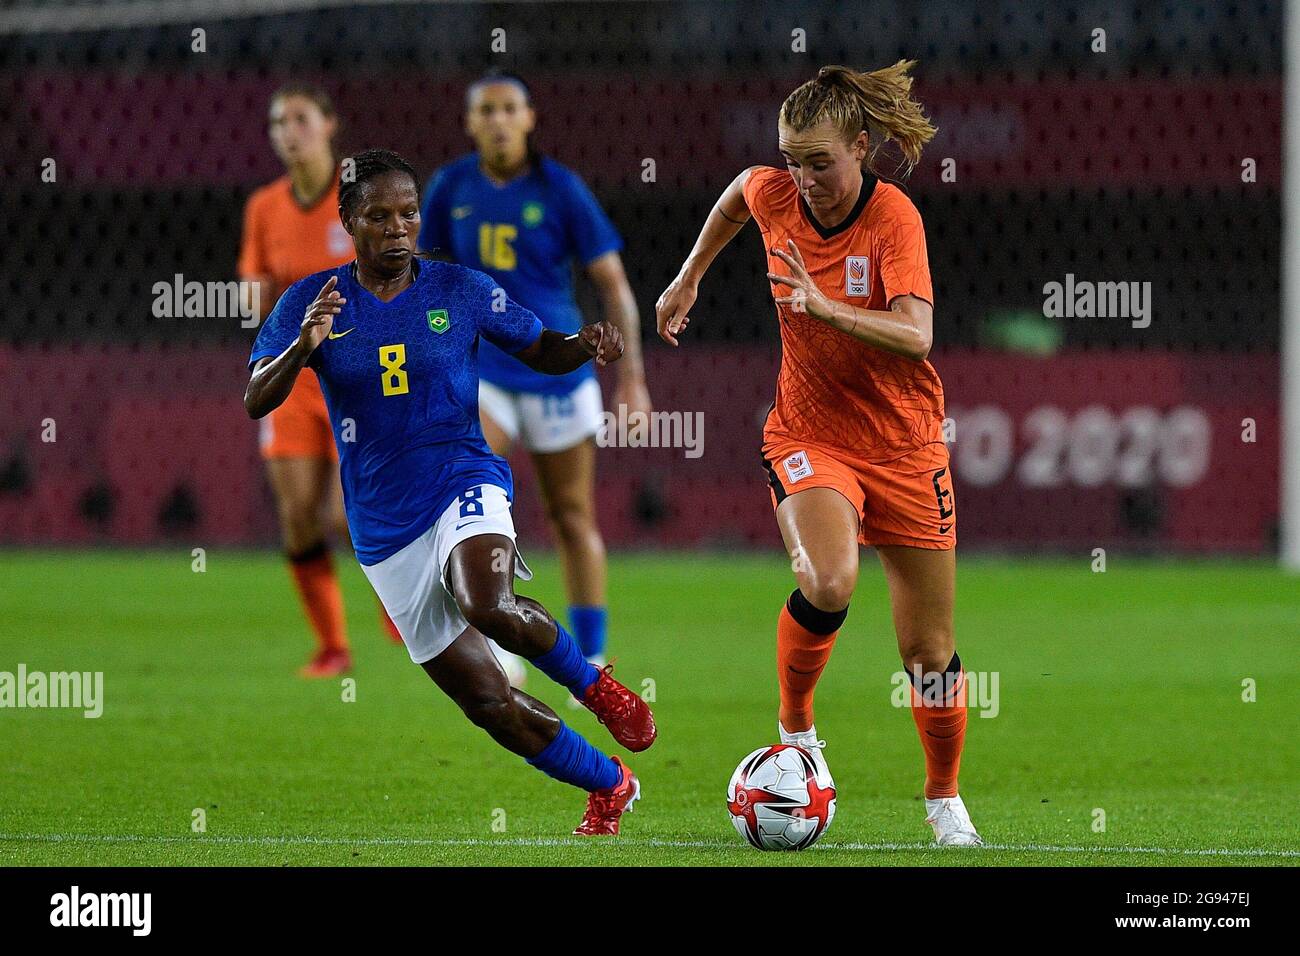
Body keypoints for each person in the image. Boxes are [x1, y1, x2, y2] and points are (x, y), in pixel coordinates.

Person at [246, 149, 655, 835]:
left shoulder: (460, 290)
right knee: (487, 703)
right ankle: (609, 783)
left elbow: (541, 348)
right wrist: (302, 346)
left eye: (408, 213)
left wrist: (584, 344)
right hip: (383, 527)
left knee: (486, 600)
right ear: (349, 221)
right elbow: (258, 397)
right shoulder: (311, 302)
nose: (398, 228)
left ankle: (593, 683)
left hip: (464, 478)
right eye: (379, 216)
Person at [654, 61, 981, 846]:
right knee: (828, 580)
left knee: (928, 650)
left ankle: (943, 800)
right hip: (810, 434)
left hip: (906, 445)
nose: (803, 178)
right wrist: (689, 275)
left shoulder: (892, 218)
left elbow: (917, 335)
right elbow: (740, 192)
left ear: (862, 147)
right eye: (793, 159)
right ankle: (796, 734)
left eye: (820, 161)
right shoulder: (774, 193)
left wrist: (828, 308)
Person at [418, 71, 650, 686]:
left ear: (529, 117)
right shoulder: (450, 188)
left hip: (558, 370)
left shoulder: (561, 189)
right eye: (485, 110)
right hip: (483, 370)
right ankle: (491, 640)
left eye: (508, 108)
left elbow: (614, 288)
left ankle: (594, 656)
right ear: (470, 122)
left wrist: (632, 379)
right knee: (467, 497)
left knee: (572, 515)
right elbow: (424, 277)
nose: (497, 119)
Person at [239, 84, 402, 678]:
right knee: (299, 517)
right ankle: (333, 647)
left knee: (344, 511)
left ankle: (399, 605)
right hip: (293, 373)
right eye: (279, 121)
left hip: (357, 372)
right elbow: (255, 293)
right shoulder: (263, 208)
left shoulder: (359, 200)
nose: (289, 131)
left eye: (301, 119)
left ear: (330, 125)